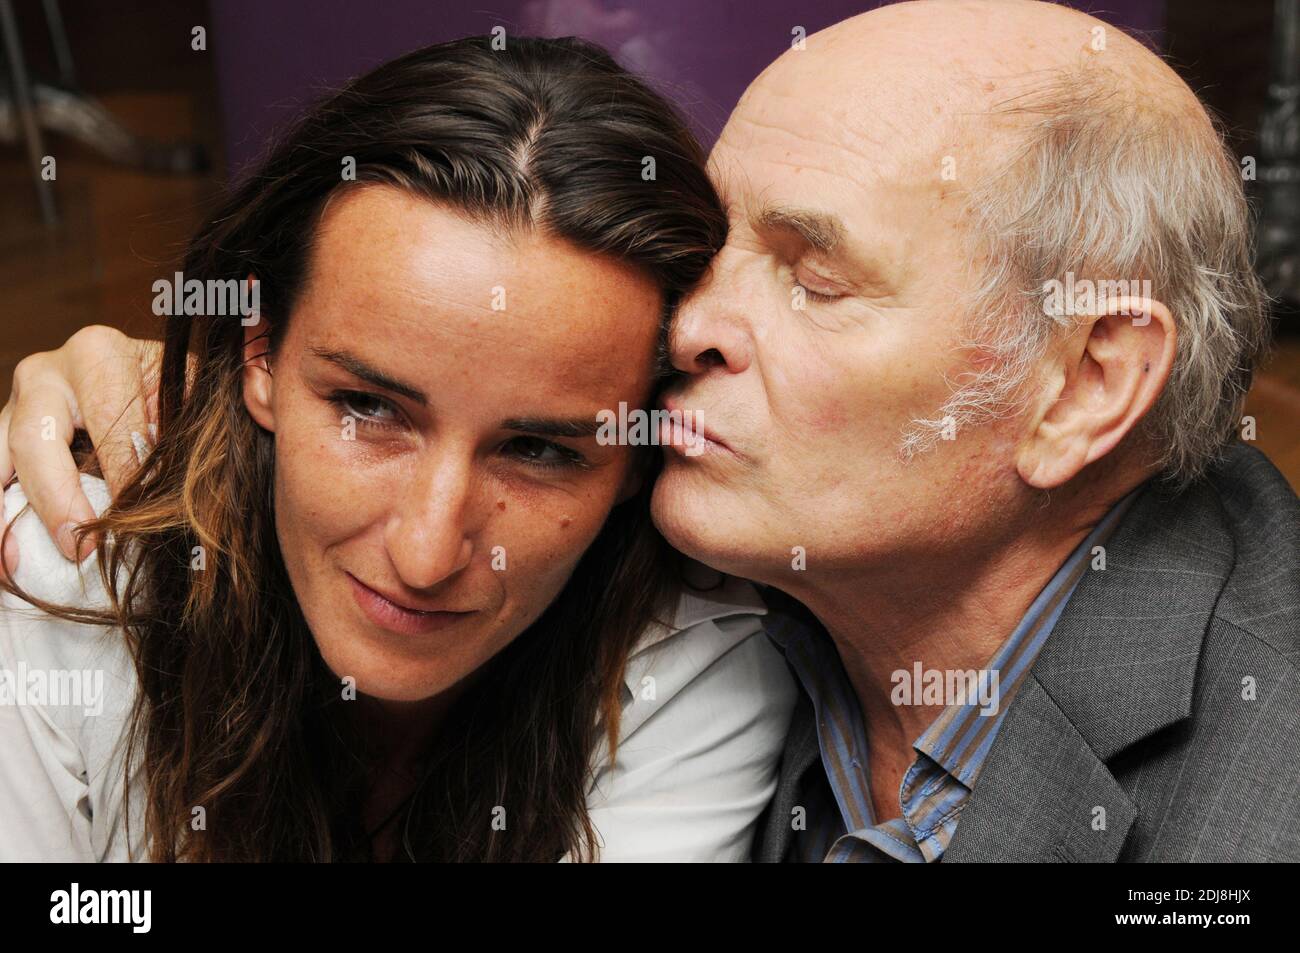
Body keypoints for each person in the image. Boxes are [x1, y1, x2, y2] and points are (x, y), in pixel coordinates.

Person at [8, 0, 1300, 864]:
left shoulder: (1257, 799)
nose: (687, 327)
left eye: (813, 274)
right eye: (716, 241)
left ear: (1082, 385)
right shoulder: (768, 569)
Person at [0, 35, 796, 862]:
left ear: (635, 458)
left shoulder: (695, 664)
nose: (424, 555)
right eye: (369, 407)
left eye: (539, 450)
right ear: (259, 352)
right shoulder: (65, 581)